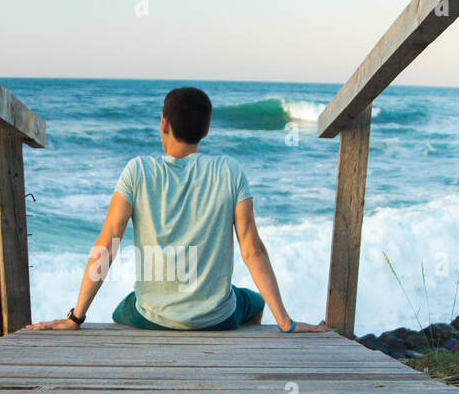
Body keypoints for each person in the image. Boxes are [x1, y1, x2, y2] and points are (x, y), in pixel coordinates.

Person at [24, 86, 327, 333]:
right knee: (254, 302)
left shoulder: (137, 171)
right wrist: (285, 322)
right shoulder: (230, 171)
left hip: (153, 316)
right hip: (216, 318)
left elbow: (107, 244)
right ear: (205, 131)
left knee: (124, 309)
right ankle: (233, 357)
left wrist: (75, 317)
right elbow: (252, 250)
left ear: (164, 124)